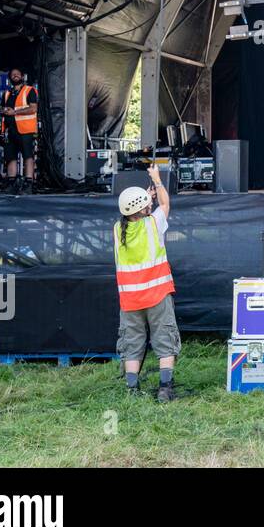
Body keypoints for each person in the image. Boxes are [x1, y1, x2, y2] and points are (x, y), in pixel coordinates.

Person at [114, 164, 180, 402]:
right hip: (157, 295)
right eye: (146, 205)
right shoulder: (153, 224)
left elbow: (138, 211)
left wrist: (144, 198)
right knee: (164, 339)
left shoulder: (117, 229)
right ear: (142, 209)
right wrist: (158, 180)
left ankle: (132, 390)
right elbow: (165, 204)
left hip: (130, 300)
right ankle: (165, 388)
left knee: (132, 343)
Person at [0, 68, 39, 192]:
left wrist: (15, 112)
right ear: (10, 78)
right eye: (13, 75)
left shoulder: (29, 91)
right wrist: (3, 111)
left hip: (25, 130)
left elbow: (33, 109)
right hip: (10, 130)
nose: (15, 76)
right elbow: (3, 108)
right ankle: (11, 182)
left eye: (17, 74)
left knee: (28, 156)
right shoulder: (7, 93)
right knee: (10, 157)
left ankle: (28, 182)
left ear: (22, 76)